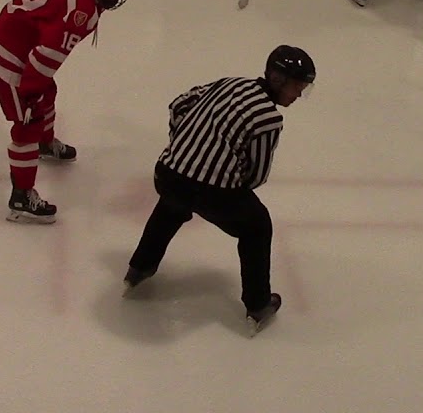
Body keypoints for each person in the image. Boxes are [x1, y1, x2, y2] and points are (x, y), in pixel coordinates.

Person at [123, 45, 316, 335]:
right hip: (209, 191)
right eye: (297, 86)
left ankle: (139, 268)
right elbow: (256, 175)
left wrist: (185, 148)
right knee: (257, 226)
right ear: (277, 80)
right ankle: (258, 304)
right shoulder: (269, 119)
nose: (299, 94)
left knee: (172, 204)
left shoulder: (231, 83)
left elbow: (179, 104)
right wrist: (221, 179)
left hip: (166, 173)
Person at [0, 0, 132, 222]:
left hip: (16, 40)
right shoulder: (81, 12)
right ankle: (21, 196)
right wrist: (29, 92)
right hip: (9, 52)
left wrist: (39, 87)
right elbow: (44, 56)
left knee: (48, 92)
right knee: (28, 121)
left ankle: (44, 143)